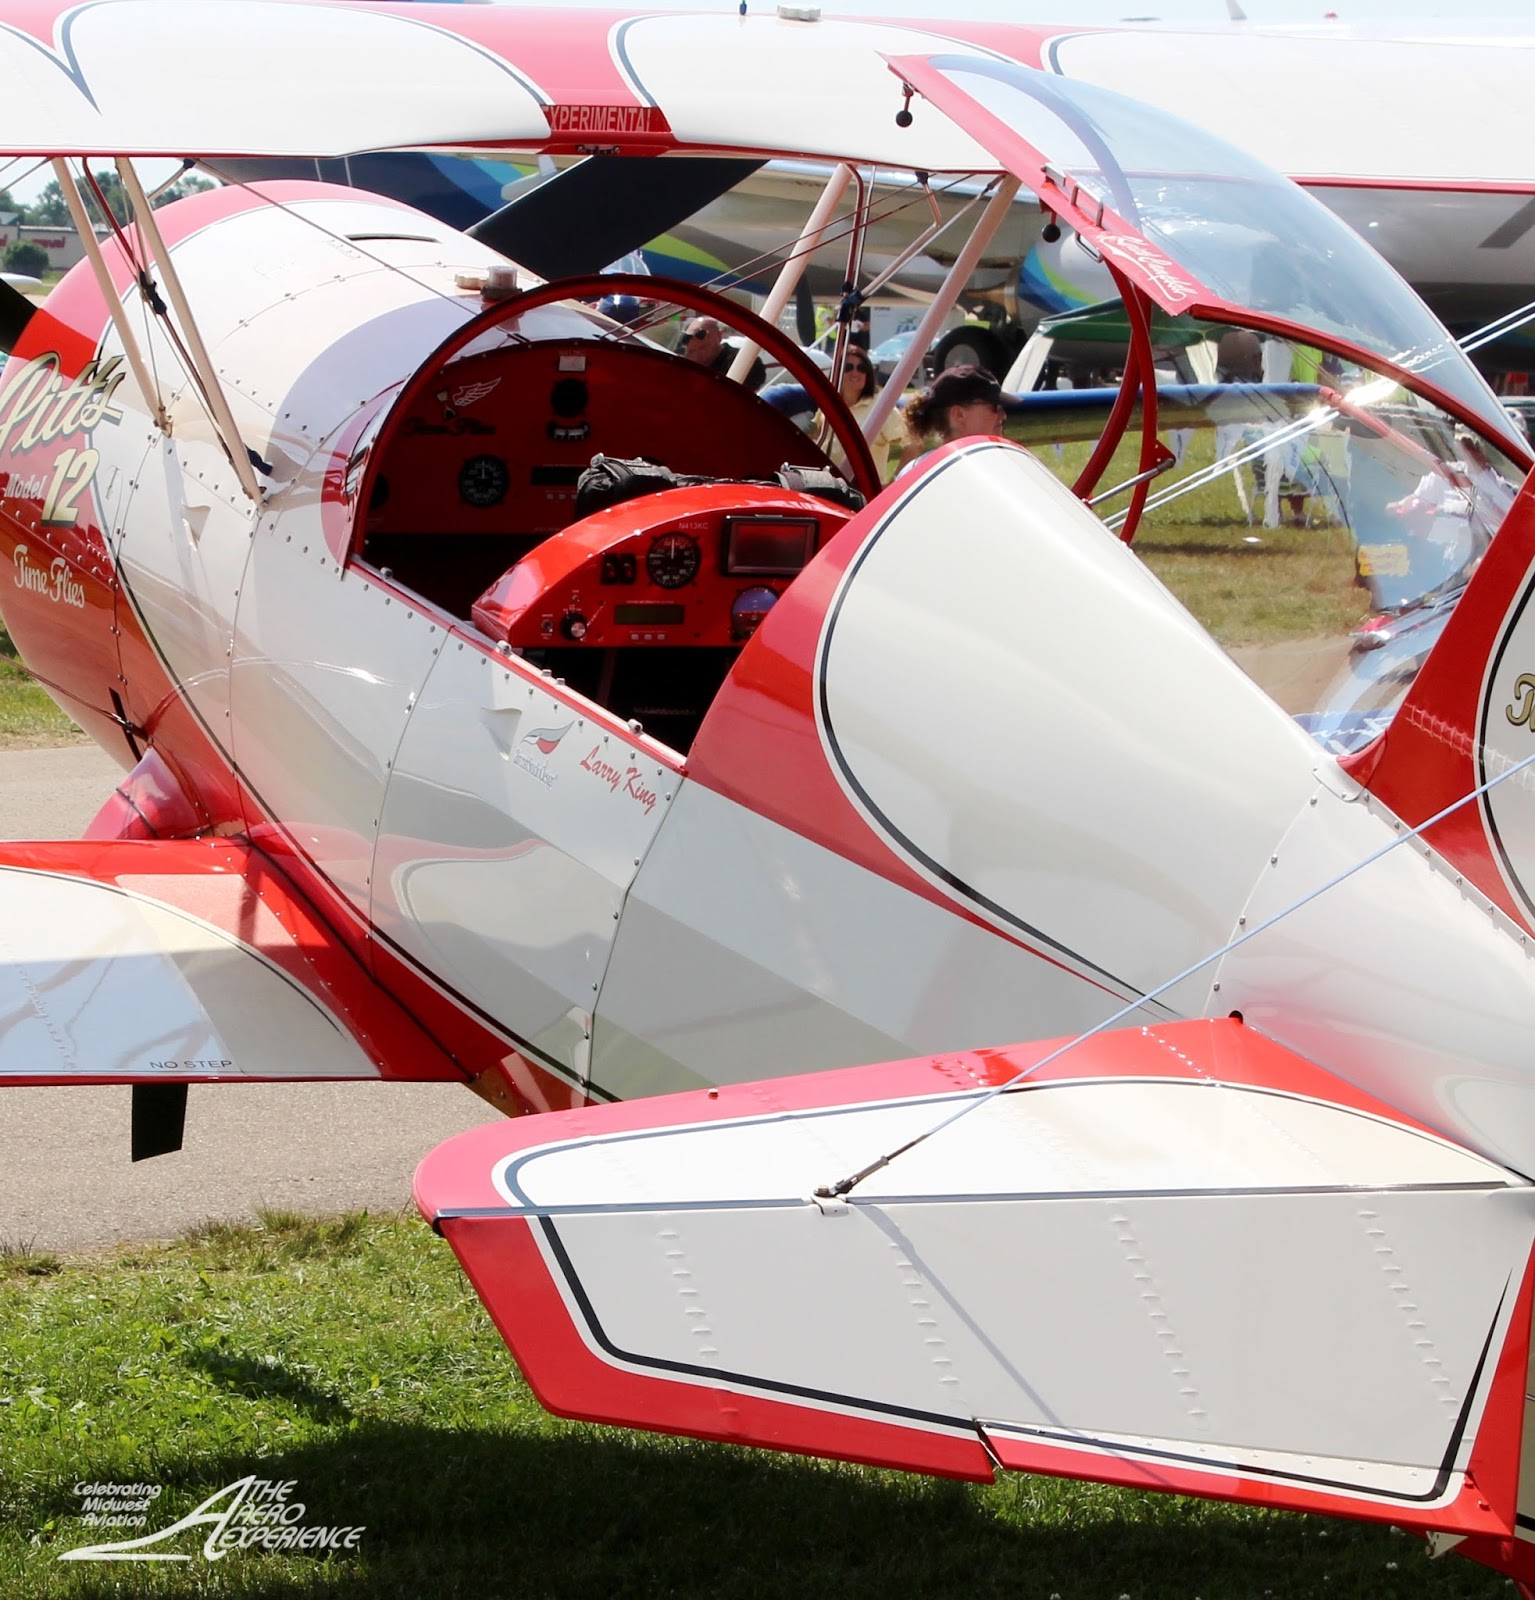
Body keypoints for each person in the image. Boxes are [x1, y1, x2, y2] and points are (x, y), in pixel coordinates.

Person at [819, 349, 906, 482]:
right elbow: (817, 438)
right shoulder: (827, 402)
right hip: (827, 484)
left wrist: (894, 483)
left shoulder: (881, 407)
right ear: (837, 373)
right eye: (848, 367)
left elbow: (913, 445)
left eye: (862, 368)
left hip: (865, 492)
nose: (855, 372)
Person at [901, 364, 1008, 466]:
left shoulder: (1006, 465)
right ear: (959, 414)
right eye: (995, 407)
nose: (1003, 415)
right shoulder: (920, 474)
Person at [678, 315, 765, 392]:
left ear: (719, 336)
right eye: (692, 351)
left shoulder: (740, 360)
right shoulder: (686, 363)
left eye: (703, 348)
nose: (697, 356)